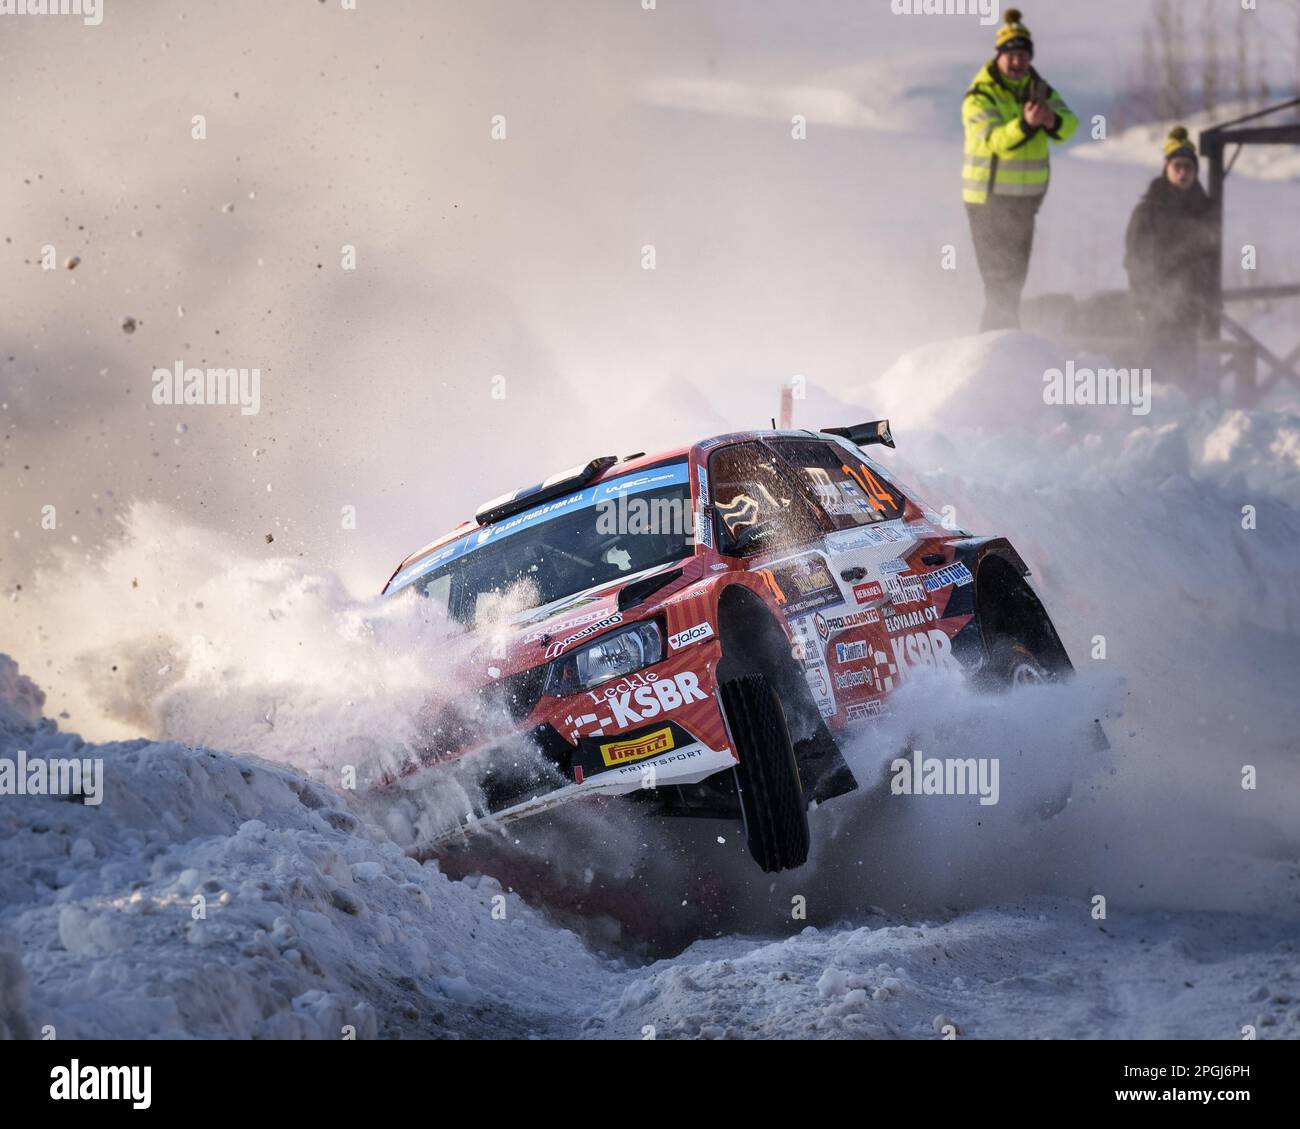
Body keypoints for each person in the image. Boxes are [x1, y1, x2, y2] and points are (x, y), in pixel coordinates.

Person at [961, 8, 1077, 331]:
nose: (1017, 63)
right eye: (1010, 55)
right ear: (999, 56)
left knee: (1013, 284)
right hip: (988, 201)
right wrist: (1026, 124)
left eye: (1023, 55)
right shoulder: (979, 97)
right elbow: (996, 140)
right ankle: (996, 351)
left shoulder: (1039, 90)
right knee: (999, 284)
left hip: (1024, 204)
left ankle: (1004, 347)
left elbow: (1071, 124)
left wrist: (1050, 120)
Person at [1124, 126, 1218, 390]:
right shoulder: (1147, 211)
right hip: (1155, 303)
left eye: (1188, 166)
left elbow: (1210, 258)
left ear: (1196, 170)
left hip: (1190, 304)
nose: (1183, 171)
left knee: (1186, 368)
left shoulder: (1205, 211)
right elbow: (1134, 258)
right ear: (1166, 168)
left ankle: (1184, 415)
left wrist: (1207, 299)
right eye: (1177, 165)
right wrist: (1142, 299)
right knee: (1151, 366)